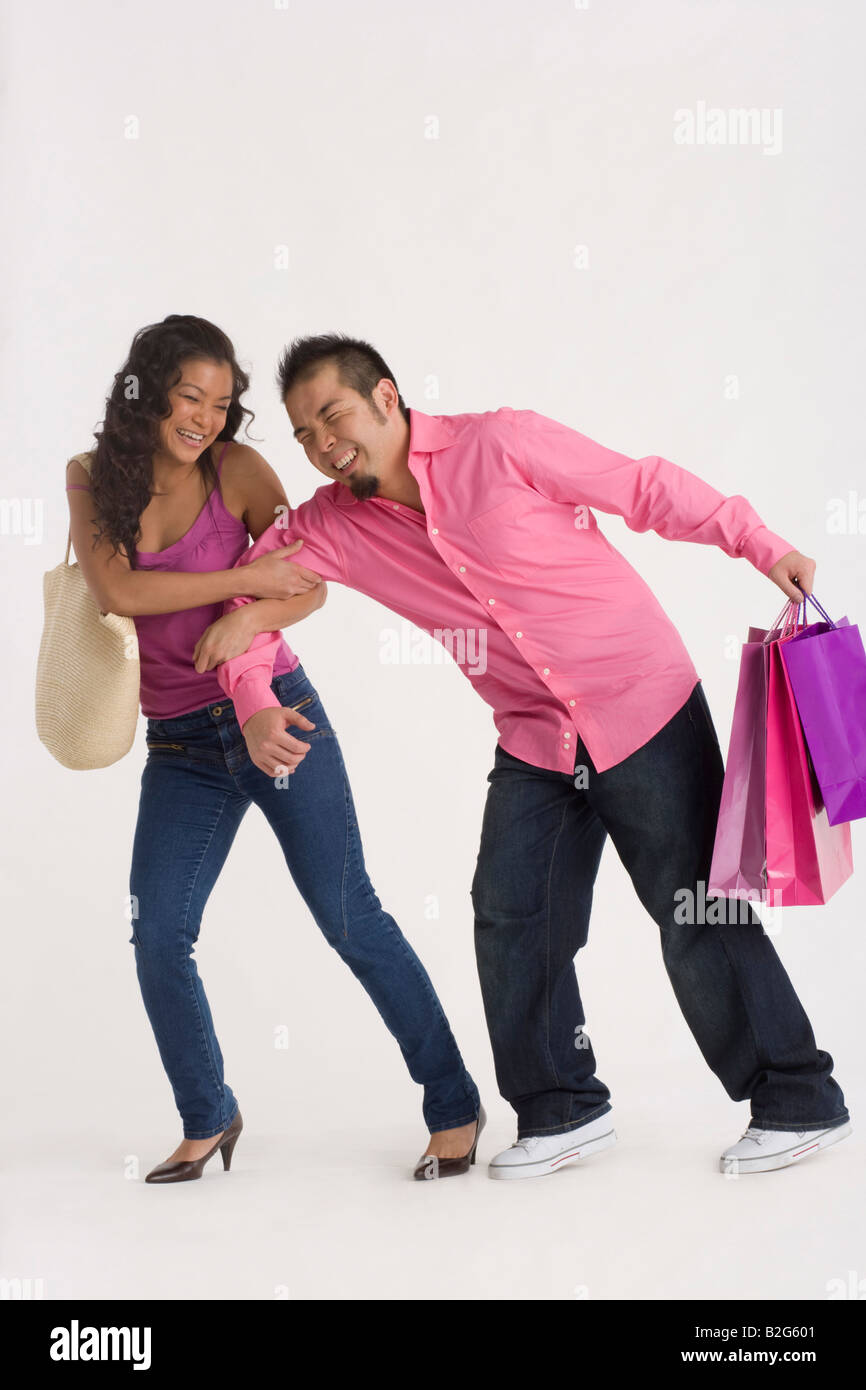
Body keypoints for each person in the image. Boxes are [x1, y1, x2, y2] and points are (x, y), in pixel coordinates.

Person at [206, 332, 852, 1181]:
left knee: (694, 910)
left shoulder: (500, 442)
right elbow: (250, 595)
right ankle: (561, 1110)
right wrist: (252, 695)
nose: (324, 446)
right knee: (513, 914)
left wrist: (759, 542)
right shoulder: (332, 525)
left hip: (639, 699)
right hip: (535, 734)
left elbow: (644, 488)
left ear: (388, 397)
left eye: (334, 417)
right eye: (304, 435)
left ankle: (801, 1100)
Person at [65, 315, 482, 1185]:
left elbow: (309, 587)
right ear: (146, 388)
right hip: (179, 743)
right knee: (158, 935)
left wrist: (259, 604)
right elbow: (119, 588)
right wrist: (240, 580)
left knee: (349, 916)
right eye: (190, 397)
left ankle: (454, 1103)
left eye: (222, 403)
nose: (206, 418)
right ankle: (208, 1116)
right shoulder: (90, 477)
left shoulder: (242, 471)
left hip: (279, 713)